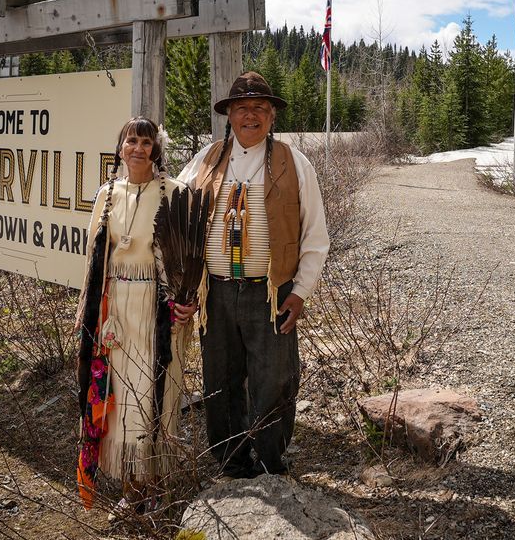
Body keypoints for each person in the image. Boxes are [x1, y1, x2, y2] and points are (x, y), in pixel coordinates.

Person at [179, 71, 329, 479]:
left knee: (274, 380)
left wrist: (299, 292)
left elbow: (315, 235)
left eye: (259, 108)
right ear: (228, 115)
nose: (251, 116)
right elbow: (173, 211)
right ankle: (231, 465)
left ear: (272, 117)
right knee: (220, 380)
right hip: (216, 293)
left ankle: (270, 465)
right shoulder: (205, 161)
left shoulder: (294, 164)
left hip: (271, 293)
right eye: (242, 108)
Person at [74, 116, 197, 515]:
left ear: (156, 148)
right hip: (115, 313)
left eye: (146, 142)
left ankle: (156, 485)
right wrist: (86, 312)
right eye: (131, 141)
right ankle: (131, 488)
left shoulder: (174, 192)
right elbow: (93, 261)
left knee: (154, 395)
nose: (138, 149)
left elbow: (192, 259)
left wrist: (188, 302)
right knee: (120, 396)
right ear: (121, 147)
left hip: (155, 311)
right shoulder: (107, 195)